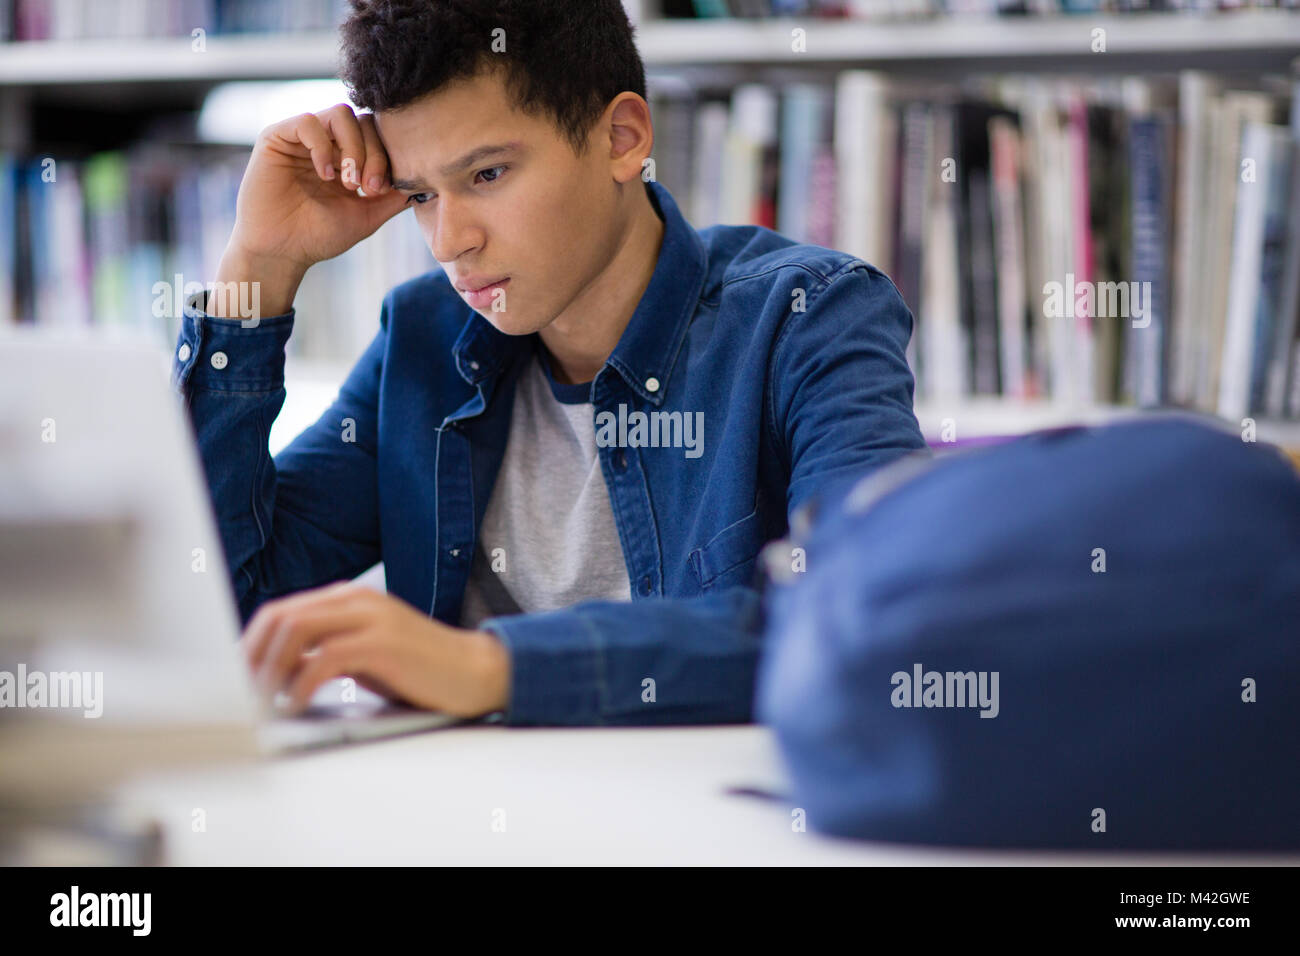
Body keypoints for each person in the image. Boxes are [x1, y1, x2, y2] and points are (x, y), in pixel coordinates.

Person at [171, 0, 926, 726]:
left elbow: (867, 613)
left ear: (623, 138)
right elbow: (217, 607)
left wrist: (488, 669)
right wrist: (258, 270)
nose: (448, 243)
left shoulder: (808, 316)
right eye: (419, 195)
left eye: (488, 175)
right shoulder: (423, 341)